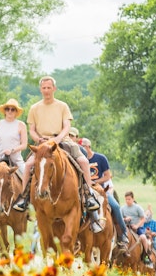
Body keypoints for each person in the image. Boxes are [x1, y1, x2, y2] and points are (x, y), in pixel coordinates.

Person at [11, 76, 101, 222]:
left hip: (62, 140)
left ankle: (89, 194)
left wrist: (58, 139)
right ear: (41, 89)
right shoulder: (34, 108)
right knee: (28, 165)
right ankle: (24, 198)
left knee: (83, 161)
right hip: (43, 143)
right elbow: (32, 130)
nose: (46, 90)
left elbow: (67, 127)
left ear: (54, 89)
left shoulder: (62, 106)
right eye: (44, 88)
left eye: (49, 87)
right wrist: (38, 139)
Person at [80, 138, 126, 241]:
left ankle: (123, 233)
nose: (80, 149)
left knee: (116, 206)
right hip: (87, 190)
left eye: (82, 147)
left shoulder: (100, 158)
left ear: (87, 146)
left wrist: (95, 182)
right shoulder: (80, 160)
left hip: (101, 191)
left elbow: (107, 176)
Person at [120, 191, 153, 264]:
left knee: (143, 238)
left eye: (129, 199)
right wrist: (125, 219)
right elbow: (120, 218)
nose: (127, 201)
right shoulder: (122, 208)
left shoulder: (138, 207)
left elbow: (143, 219)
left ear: (133, 199)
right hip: (126, 227)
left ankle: (146, 256)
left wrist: (137, 226)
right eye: (126, 199)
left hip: (137, 227)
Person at [143, 204, 156, 272]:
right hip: (143, 240)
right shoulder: (142, 222)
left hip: (152, 240)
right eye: (146, 215)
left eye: (148, 215)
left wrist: (152, 233)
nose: (147, 216)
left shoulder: (154, 222)